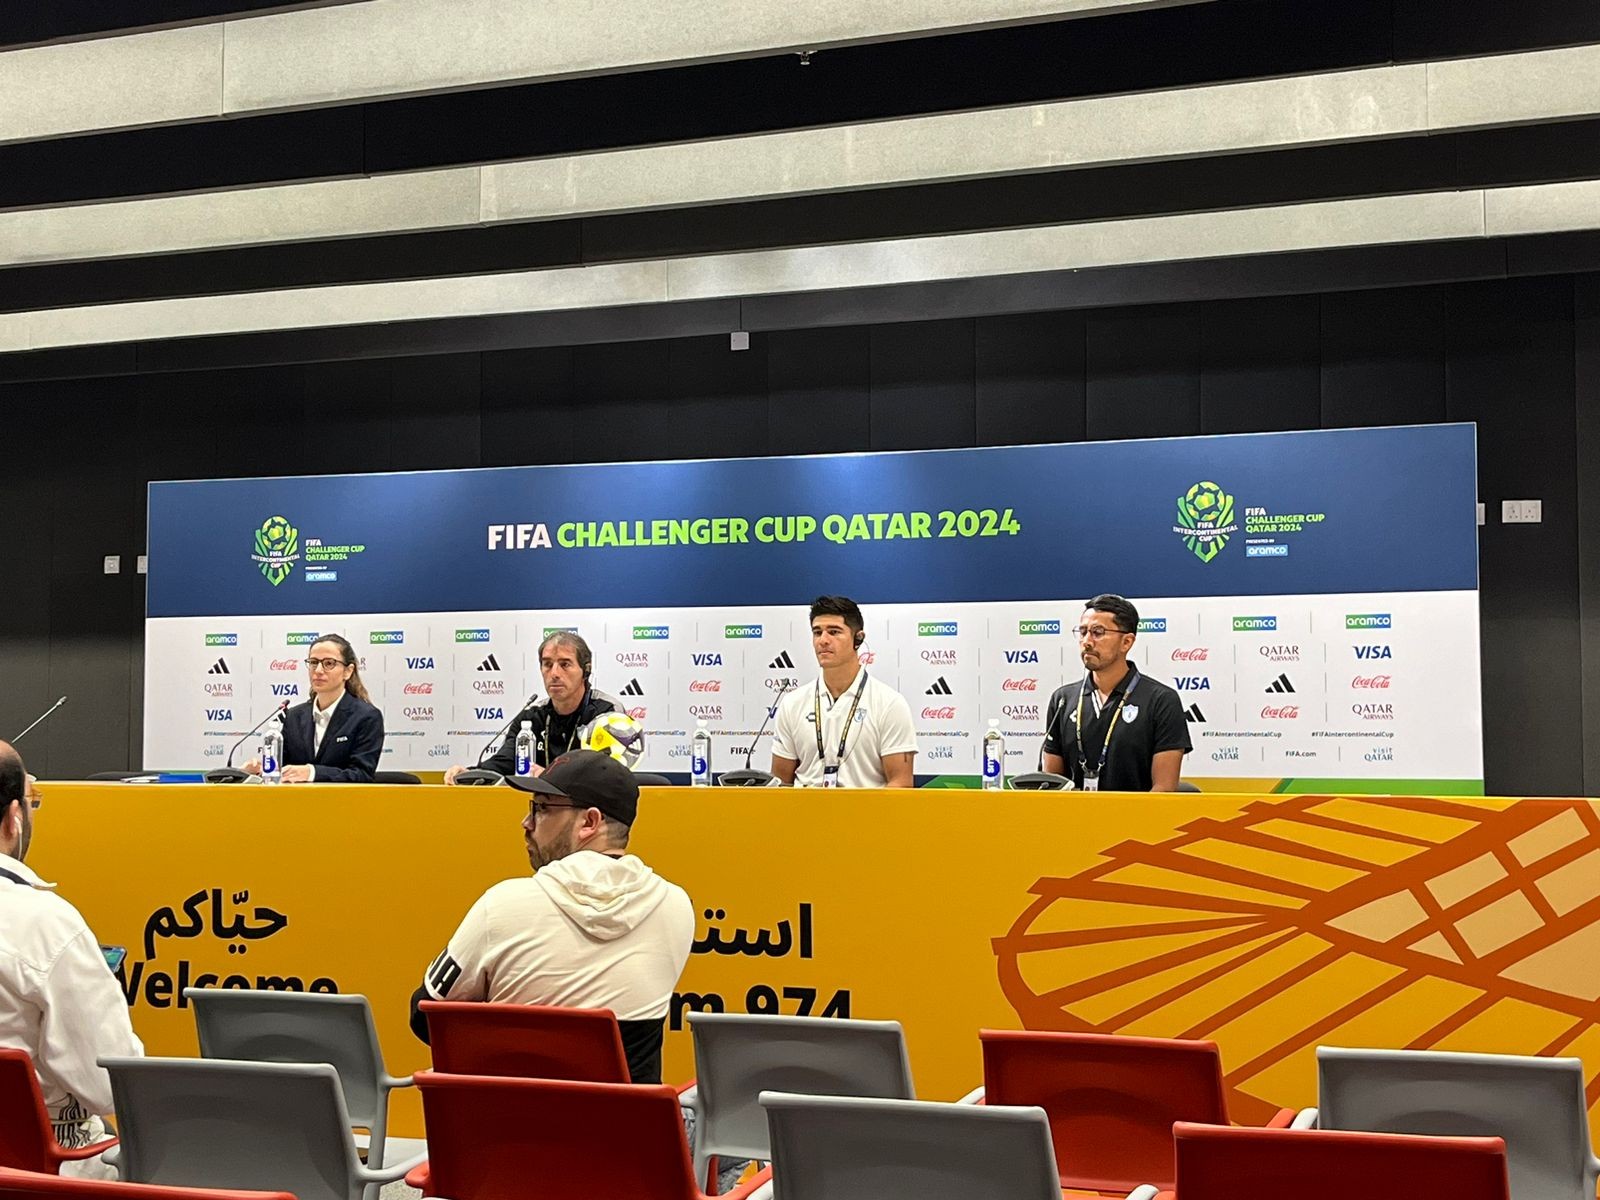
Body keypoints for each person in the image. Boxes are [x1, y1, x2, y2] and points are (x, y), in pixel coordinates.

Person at [410, 749, 693, 1083]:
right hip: (626, 1132)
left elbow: (425, 1016)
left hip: (504, 1128)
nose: (526, 823)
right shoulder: (676, 906)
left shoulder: (503, 905)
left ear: (590, 822)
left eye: (541, 808)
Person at [0, 742, 143, 1154]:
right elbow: (116, 1086)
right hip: (43, 1173)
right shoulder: (47, 925)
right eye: (32, 802)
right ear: (14, 819)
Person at [1041, 594, 1191, 791]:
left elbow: (1163, 789)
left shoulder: (1161, 700)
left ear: (1126, 642)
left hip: (1136, 819)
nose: (1087, 641)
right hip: (1073, 819)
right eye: (1083, 631)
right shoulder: (1062, 700)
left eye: (1098, 632)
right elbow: (1051, 787)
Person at [771, 595, 917, 787]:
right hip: (805, 814)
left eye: (834, 632)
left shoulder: (889, 703)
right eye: (817, 632)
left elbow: (901, 783)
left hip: (865, 814)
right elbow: (780, 782)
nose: (823, 640)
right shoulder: (792, 703)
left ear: (858, 638)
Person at [445, 631, 624, 783]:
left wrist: (549, 776)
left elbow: (607, 776)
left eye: (565, 664)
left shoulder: (607, 713)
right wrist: (468, 774)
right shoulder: (531, 716)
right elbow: (504, 763)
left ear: (586, 670)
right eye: (547, 664)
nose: (554, 674)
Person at [245, 633, 384, 783]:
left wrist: (312, 773)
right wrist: (262, 771)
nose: (318, 670)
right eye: (313, 662)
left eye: (329, 663)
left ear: (348, 671)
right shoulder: (293, 715)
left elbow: (362, 774)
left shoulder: (366, 716)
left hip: (343, 803)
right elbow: (283, 769)